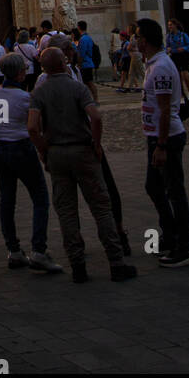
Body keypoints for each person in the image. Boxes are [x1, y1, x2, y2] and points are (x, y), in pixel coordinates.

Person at [28, 47, 136, 284]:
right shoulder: (77, 87)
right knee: (100, 207)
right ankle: (116, 263)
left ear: (44, 68)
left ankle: (78, 267)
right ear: (64, 63)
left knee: (66, 212)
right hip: (82, 150)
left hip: (56, 153)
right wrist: (96, 144)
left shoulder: (39, 91)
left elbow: (32, 127)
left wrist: (43, 150)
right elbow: (95, 117)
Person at [135, 18, 189, 267]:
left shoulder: (160, 66)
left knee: (175, 192)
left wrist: (160, 145)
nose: (135, 40)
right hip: (158, 138)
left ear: (147, 39)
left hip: (167, 138)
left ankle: (185, 247)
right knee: (154, 186)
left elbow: (163, 109)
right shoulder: (152, 63)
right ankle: (170, 234)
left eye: (138, 36)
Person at [0, 53, 62, 273]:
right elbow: (34, 126)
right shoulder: (24, 98)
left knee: (7, 200)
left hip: (0, 149)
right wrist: (44, 150)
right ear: (19, 73)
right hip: (21, 148)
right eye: (23, 69)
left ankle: (13, 250)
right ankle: (39, 251)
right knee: (40, 197)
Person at [165, 19, 189, 99]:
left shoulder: (183, 35)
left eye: (171, 25)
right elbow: (166, 46)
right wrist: (167, 49)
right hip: (174, 56)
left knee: (185, 74)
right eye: (168, 25)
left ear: (175, 25)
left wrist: (184, 48)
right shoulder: (168, 36)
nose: (169, 26)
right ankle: (181, 92)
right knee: (177, 76)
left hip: (183, 56)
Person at [76, 21, 97, 99]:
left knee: (89, 83)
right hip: (89, 62)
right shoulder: (88, 38)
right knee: (88, 83)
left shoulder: (83, 39)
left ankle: (95, 98)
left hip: (85, 64)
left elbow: (82, 53)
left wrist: (79, 64)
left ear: (79, 27)